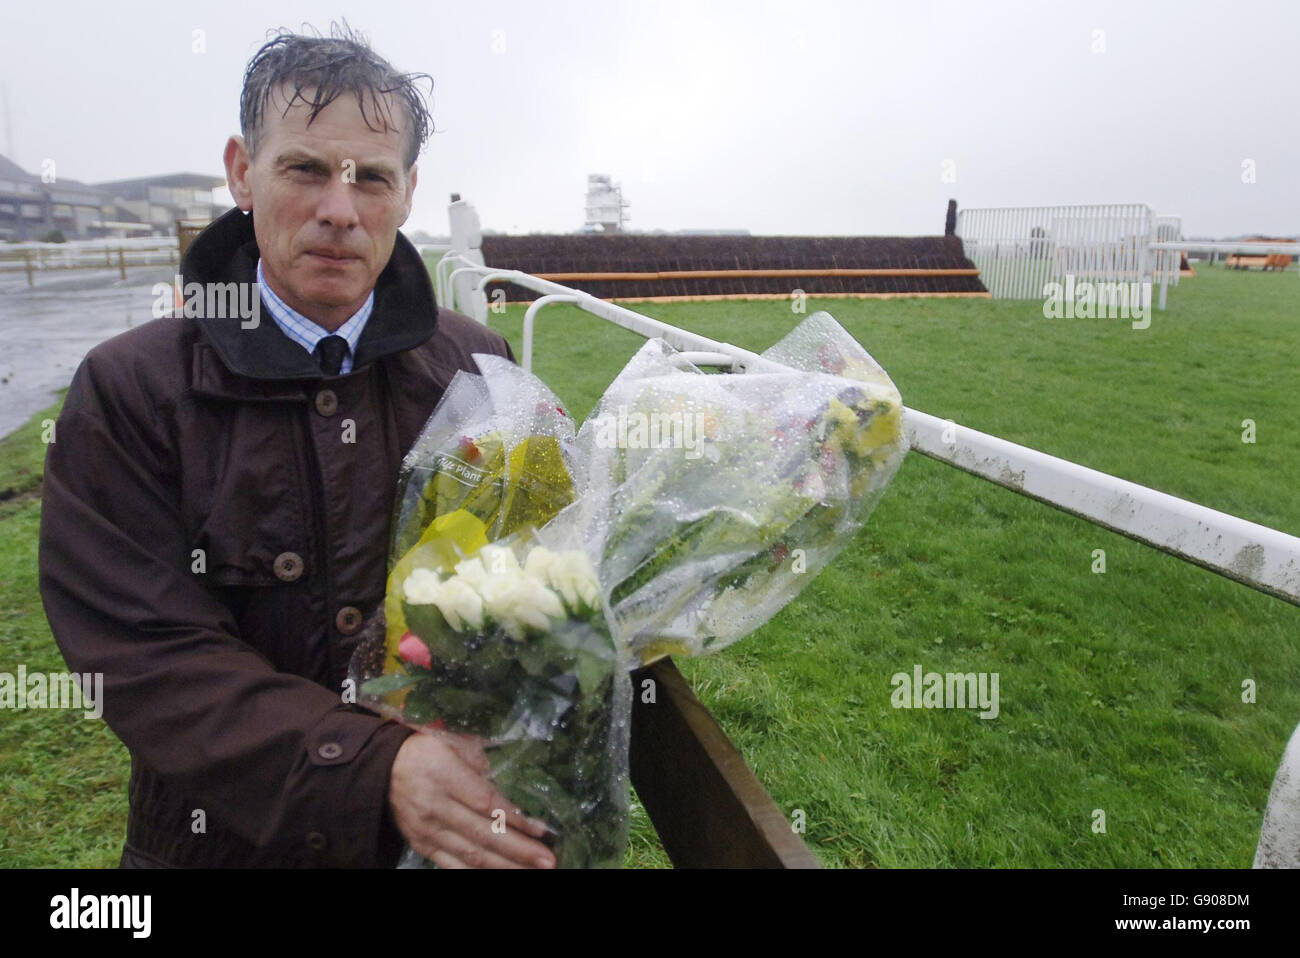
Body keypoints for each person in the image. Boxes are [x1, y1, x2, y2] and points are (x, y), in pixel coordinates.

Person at [37, 24, 557, 869]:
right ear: (243, 172)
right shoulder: (129, 391)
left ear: (409, 192)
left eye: (372, 179)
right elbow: (147, 658)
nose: (340, 211)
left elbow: (544, 571)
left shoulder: (479, 369)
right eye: (306, 169)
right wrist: (375, 768)